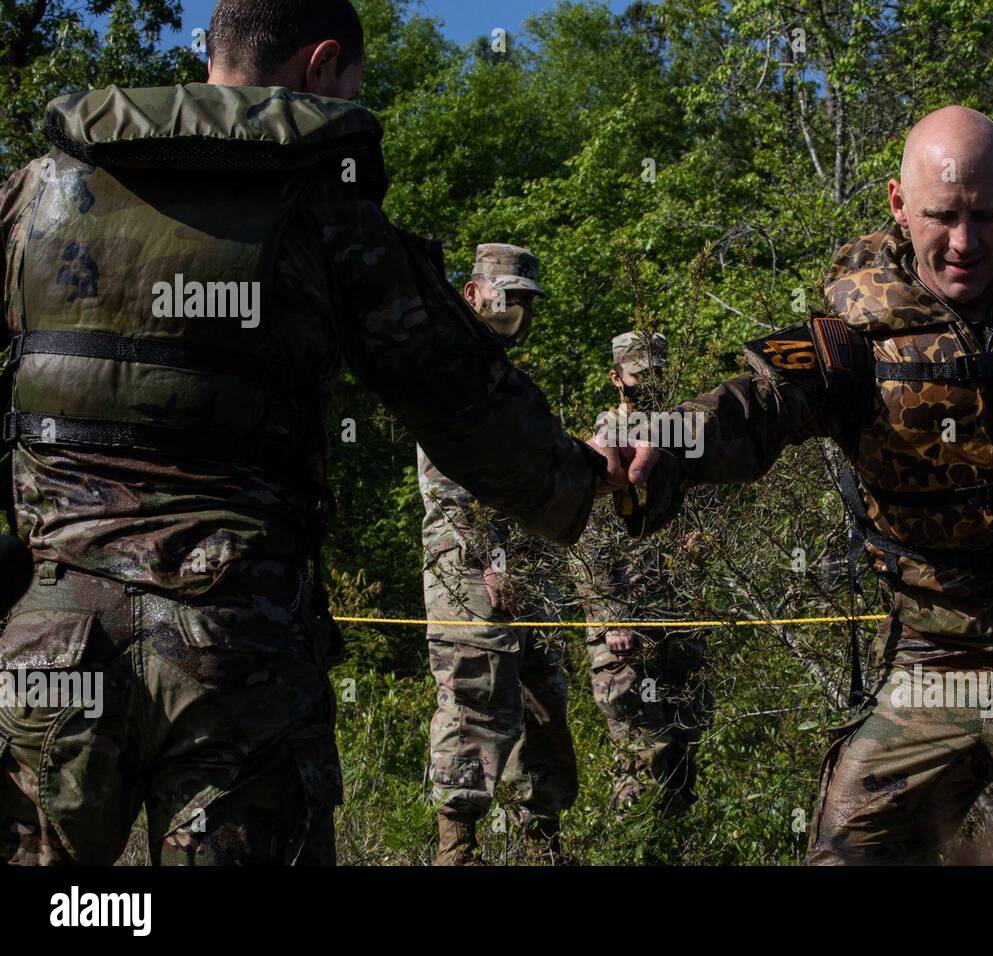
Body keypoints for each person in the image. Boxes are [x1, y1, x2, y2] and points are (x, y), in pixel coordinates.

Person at [0, 0, 620, 866]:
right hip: (234, 651)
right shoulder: (326, 211)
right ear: (321, 66)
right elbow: (464, 402)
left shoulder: (34, 194)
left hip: (47, 645)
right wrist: (589, 480)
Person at [612, 106, 993, 865]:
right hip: (934, 667)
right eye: (942, 216)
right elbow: (755, 406)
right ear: (899, 206)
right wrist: (662, 438)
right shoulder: (853, 334)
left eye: (986, 215)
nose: (965, 243)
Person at [421, 244, 579, 866]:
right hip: (469, 568)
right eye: (507, 295)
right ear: (473, 293)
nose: (517, 308)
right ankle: (456, 851)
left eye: (525, 300)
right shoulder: (448, 374)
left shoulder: (510, 381)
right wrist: (495, 563)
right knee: (474, 700)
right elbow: (455, 489)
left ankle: (542, 844)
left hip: (526, 566)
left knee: (543, 702)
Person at [572, 332, 711, 815]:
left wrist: (702, 547)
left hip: (680, 617)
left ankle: (677, 840)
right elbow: (584, 539)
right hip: (626, 624)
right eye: (638, 376)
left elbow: (710, 513)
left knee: (685, 742)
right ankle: (637, 844)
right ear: (617, 378)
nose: (649, 386)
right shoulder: (603, 442)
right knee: (638, 750)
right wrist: (612, 617)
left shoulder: (683, 436)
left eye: (657, 376)